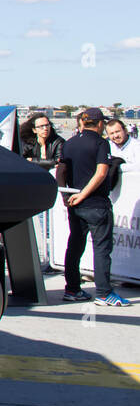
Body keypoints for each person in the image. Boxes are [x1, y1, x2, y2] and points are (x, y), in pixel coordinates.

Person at [61, 107, 129, 306]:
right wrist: (83, 194)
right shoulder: (101, 143)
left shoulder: (70, 143)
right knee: (101, 248)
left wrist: (66, 194)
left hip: (75, 203)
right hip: (96, 204)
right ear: (100, 124)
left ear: (82, 123)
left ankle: (72, 289)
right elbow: (101, 173)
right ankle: (104, 292)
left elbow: (61, 170)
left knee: (75, 246)